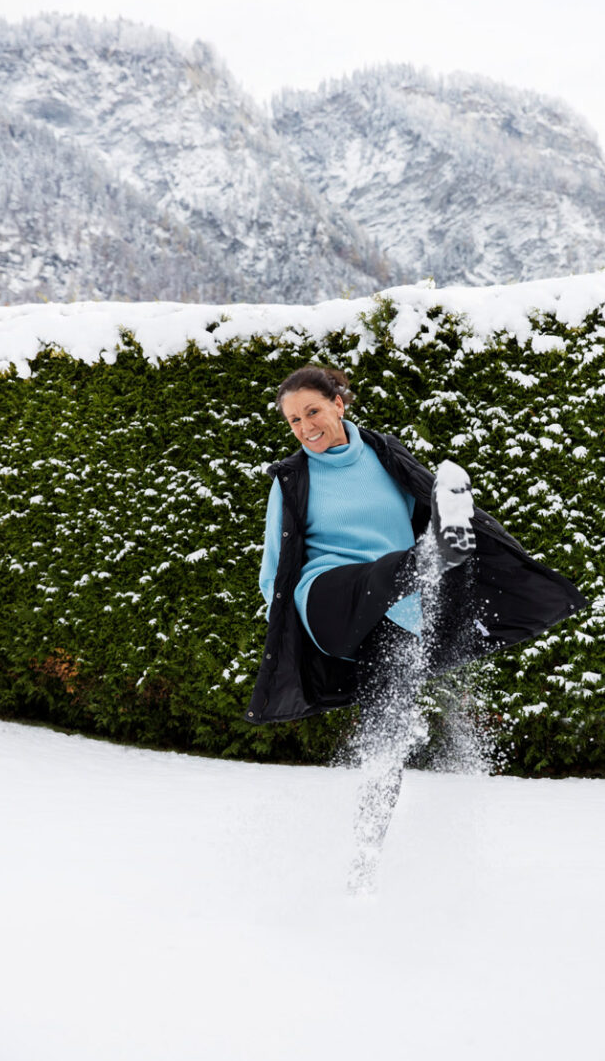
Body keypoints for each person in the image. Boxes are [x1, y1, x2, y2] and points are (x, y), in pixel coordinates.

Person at [245, 364, 586, 889]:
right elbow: (274, 571)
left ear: (339, 403)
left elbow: (429, 506)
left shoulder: (384, 455)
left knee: (388, 736)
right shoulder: (292, 478)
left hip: (397, 608)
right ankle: (430, 558)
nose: (305, 427)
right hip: (326, 598)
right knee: (376, 573)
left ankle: (364, 864)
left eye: (312, 411)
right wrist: (287, 639)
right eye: (294, 420)